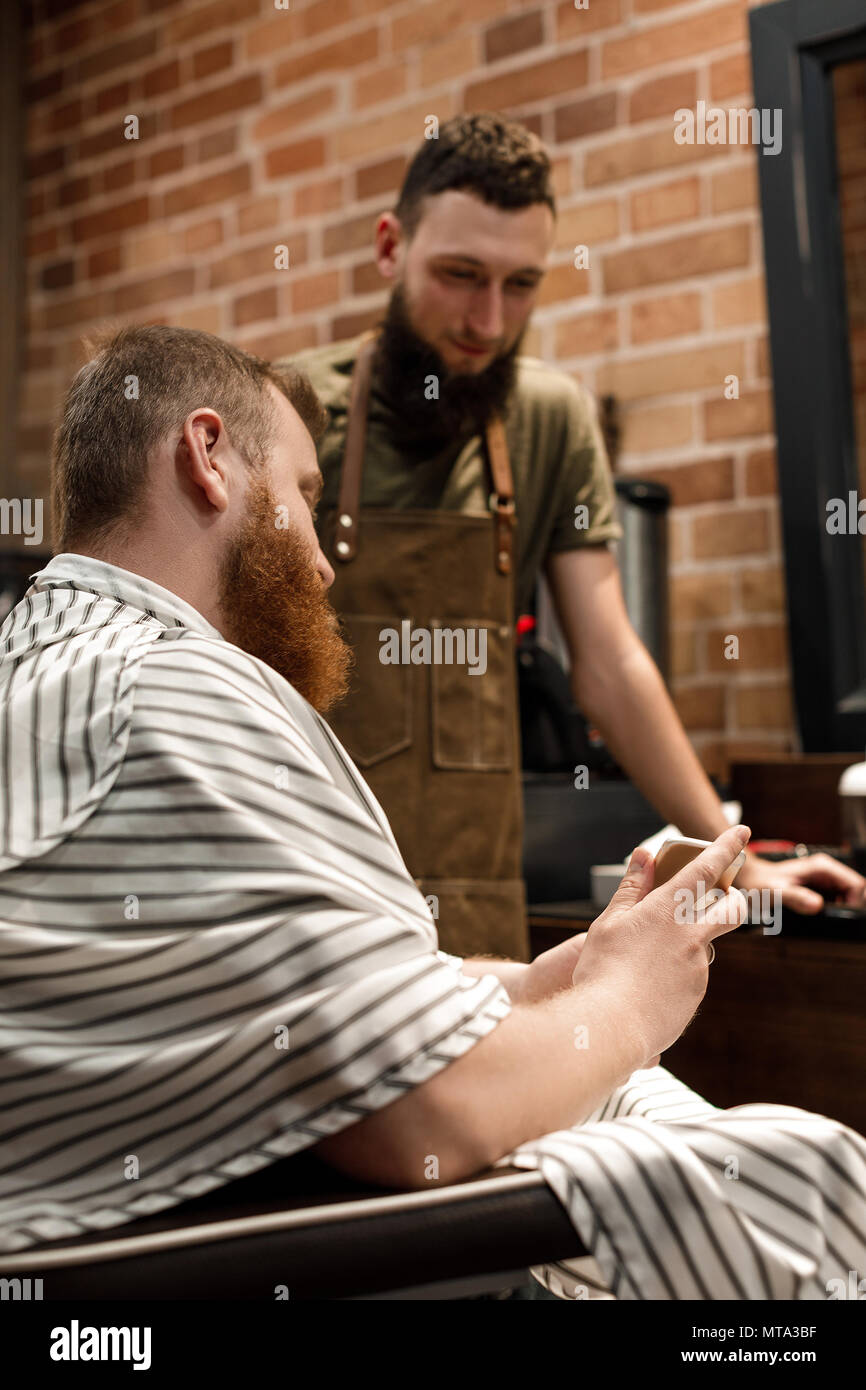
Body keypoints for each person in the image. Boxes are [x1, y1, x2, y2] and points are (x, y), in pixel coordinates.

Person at [1, 324, 864, 1303]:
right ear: (207, 458)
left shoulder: (59, 661)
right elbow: (422, 1111)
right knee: (807, 1175)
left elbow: (260, 996)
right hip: (256, 1259)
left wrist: (542, 985)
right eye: (299, 495)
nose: (327, 565)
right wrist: (629, 1004)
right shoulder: (164, 684)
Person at [277, 111, 866, 962]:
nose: (488, 319)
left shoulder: (549, 420)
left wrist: (730, 860)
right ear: (388, 248)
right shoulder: (294, 412)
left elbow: (608, 659)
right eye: (461, 274)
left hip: (470, 885)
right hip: (310, 881)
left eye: (521, 285)